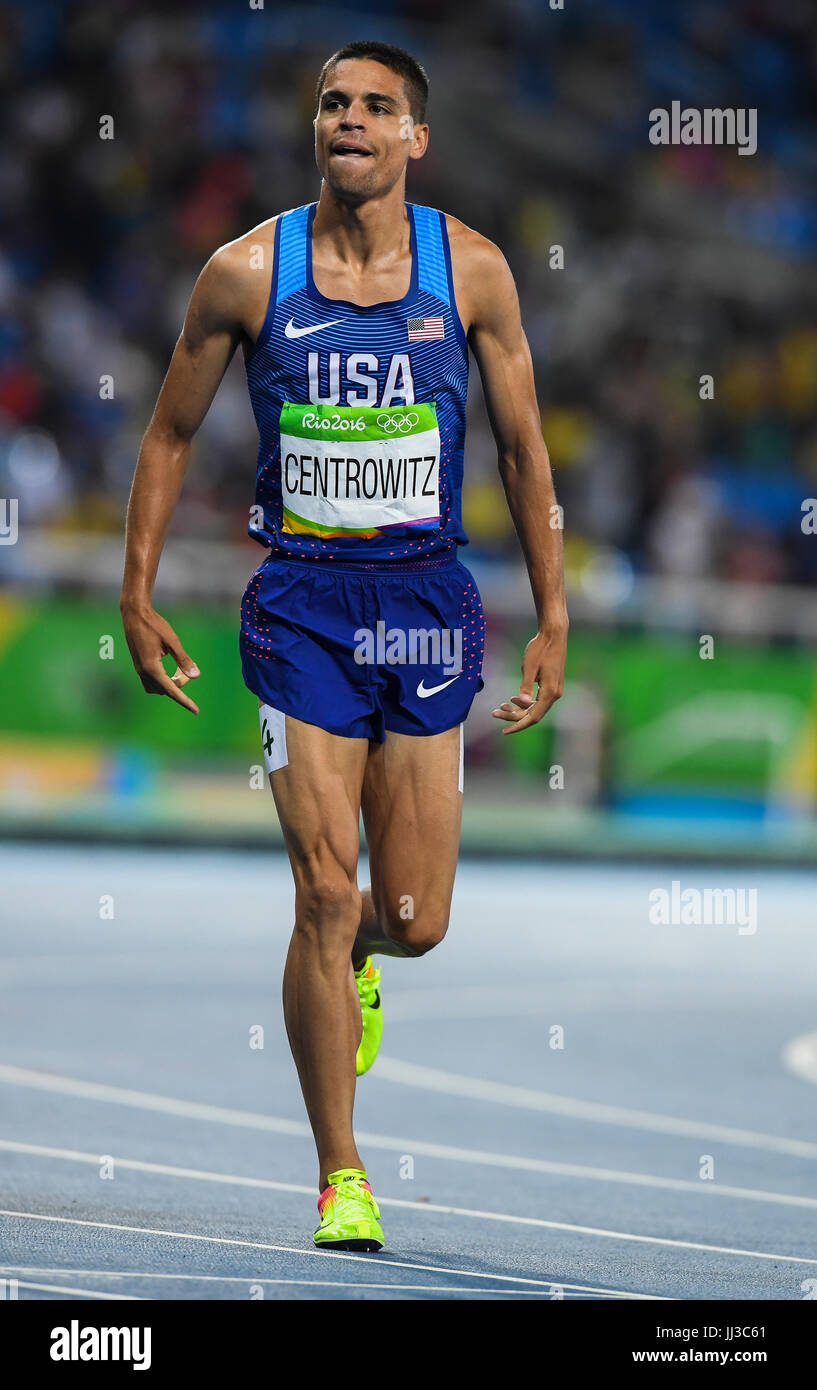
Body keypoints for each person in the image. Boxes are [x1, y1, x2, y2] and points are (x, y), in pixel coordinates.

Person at [120, 39, 568, 1253]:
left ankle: (362, 955)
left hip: (424, 602)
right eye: (332, 104)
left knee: (411, 915)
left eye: (377, 107)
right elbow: (165, 436)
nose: (350, 120)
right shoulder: (244, 272)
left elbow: (525, 456)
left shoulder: (470, 272)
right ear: (313, 127)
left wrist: (554, 613)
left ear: (416, 137)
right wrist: (137, 589)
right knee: (323, 886)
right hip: (304, 601)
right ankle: (341, 1173)